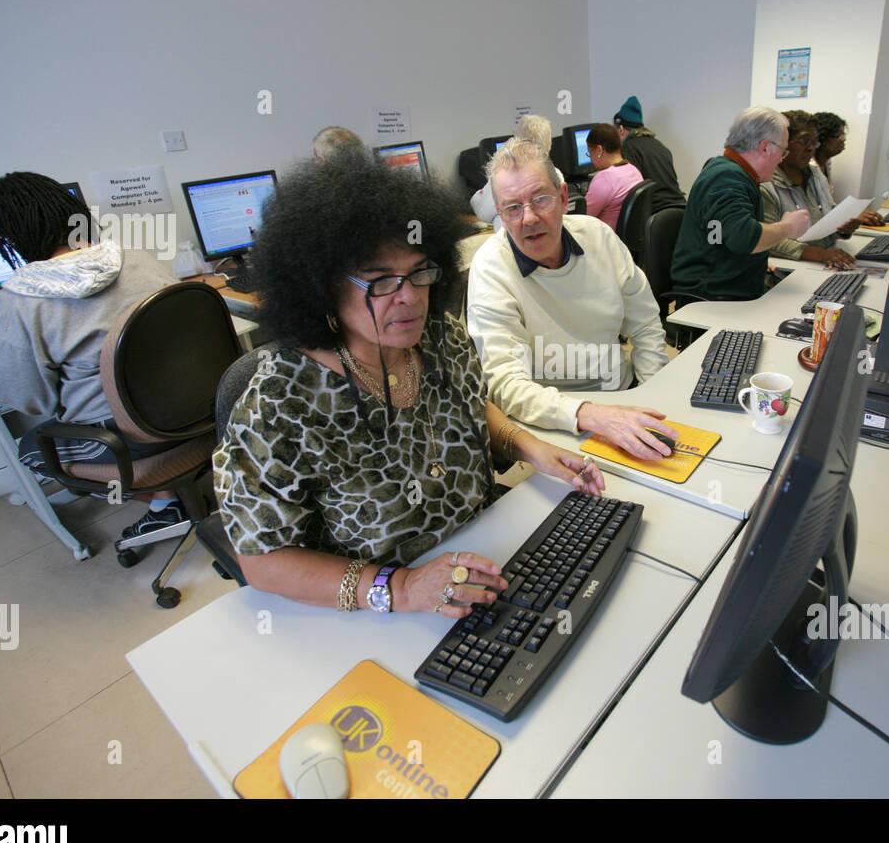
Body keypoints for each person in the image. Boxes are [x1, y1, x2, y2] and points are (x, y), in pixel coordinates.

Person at [213, 153, 604, 617]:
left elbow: (470, 405)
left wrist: (527, 445)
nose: (410, 297)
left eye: (419, 273)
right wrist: (400, 589)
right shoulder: (279, 403)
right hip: (373, 607)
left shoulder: (438, 336)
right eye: (380, 281)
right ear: (321, 287)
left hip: (479, 559)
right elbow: (262, 562)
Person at [0, 171, 183, 536]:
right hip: (199, 412)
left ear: (7, 239)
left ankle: (164, 500)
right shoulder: (137, 258)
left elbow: (29, 401)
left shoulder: (18, 303)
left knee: (30, 447)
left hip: (128, 441)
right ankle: (169, 495)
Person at [466, 139, 676, 461]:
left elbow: (646, 325)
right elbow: (505, 385)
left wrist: (653, 395)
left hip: (622, 393)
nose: (529, 218)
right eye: (512, 208)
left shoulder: (599, 237)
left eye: (541, 199)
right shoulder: (492, 268)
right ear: (499, 214)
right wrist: (590, 414)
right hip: (554, 423)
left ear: (563, 198)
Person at [669, 107, 811, 301]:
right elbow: (744, 238)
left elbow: (723, 235)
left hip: (723, 285)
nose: (781, 159)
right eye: (782, 151)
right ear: (765, 147)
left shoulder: (730, 172)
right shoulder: (726, 178)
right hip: (713, 295)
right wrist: (787, 228)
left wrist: (753, 260)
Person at [761, 110, 883, 270]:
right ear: (783, 143)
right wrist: (820, 254)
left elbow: (828, 216)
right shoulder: (765, 184)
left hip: (823, 256)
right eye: (804, 141)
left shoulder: (816, 174)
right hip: (792, 266)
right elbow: (768, 240)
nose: (811, 148)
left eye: (815, 142)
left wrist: (843, 228)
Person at [469, 114, 565, 232]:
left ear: (517, 141)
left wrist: (481, 194)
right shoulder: (557, 174)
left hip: (513, 243)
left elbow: (482, 213)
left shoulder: (505, 178)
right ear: (549, 144)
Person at [613, 96, 685, 212]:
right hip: (679, 210)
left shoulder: (628, 148)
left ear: (621, 129)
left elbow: (629, 191)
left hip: (655, 214)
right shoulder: (659, 145)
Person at [584, 123, 643, 232]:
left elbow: (583, 216)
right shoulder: (634, 170)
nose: (591, 159)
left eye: (589, 153)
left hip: (605, 243)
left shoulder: (605, 178)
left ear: (599, 150)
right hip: (626, 242)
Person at [812, 112, 847, 190]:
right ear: (823, 138)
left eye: (843, 135)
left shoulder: (826, 162)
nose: (843, 139)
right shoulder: (808, 166)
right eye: (839, 135)